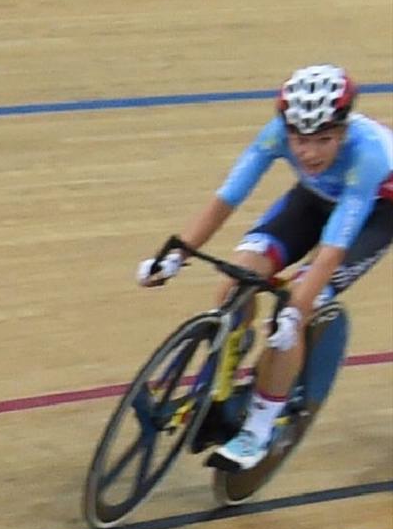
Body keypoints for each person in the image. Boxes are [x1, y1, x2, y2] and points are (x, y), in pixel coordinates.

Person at [138, 64, 390, 469]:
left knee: (291, 313)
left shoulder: (369, 156)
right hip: (312, 199)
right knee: (234, 280)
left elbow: (331, 250)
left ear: (343, 131)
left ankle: (259, 428)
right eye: (299, 139)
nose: (307, 152)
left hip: (375, 212)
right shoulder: (276, 135)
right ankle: (225, 372)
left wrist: (294, 311)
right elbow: (227, 198)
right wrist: (177, 254)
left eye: (323, 140)